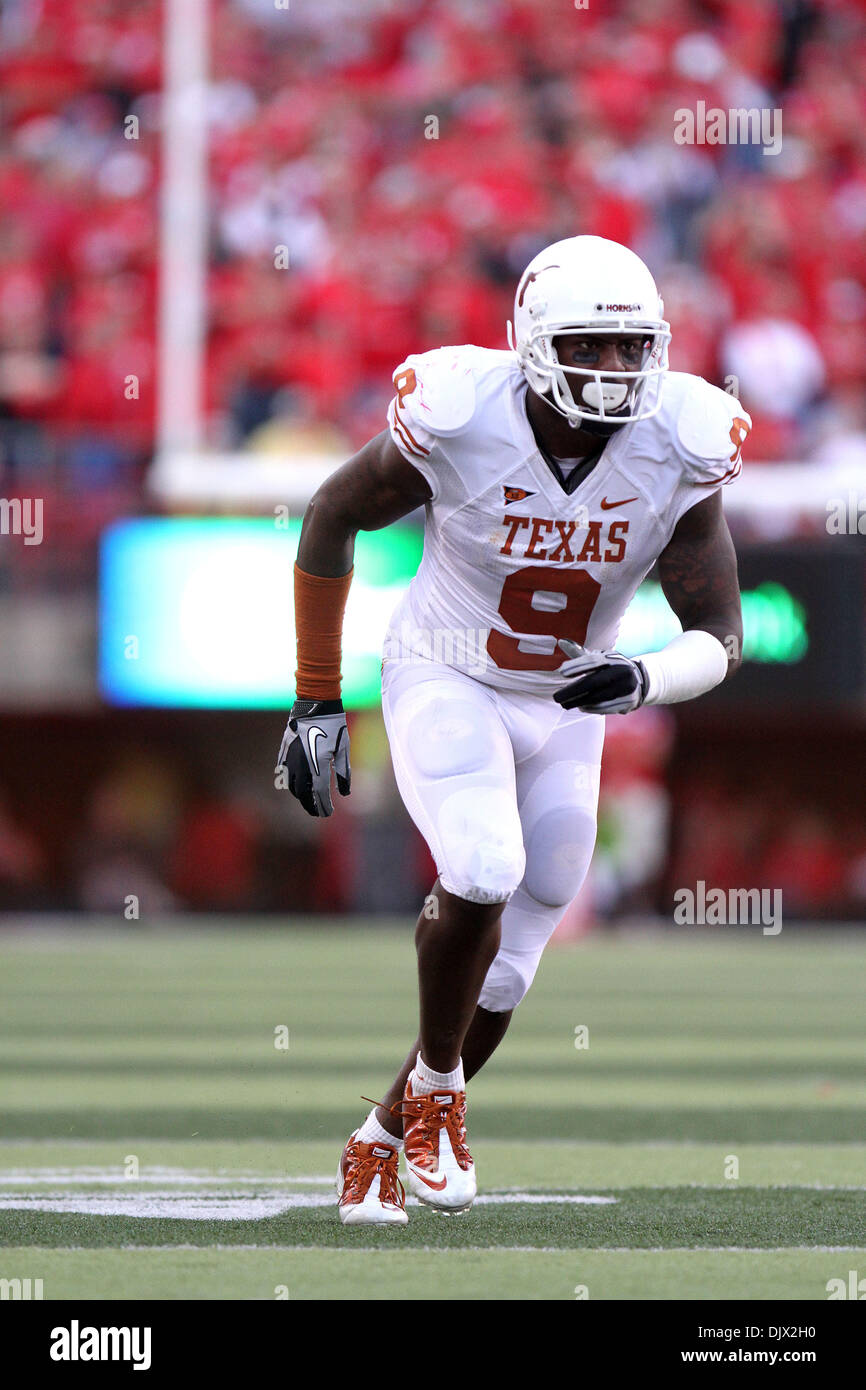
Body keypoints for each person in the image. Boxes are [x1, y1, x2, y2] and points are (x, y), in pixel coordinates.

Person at [276, 235, 750, 1225]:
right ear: (530, 341)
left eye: (631, 351)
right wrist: (316, 696)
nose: (614, 372)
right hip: (448, 669)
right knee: (484, 866)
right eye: (589, 345)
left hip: (570, 701)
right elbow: (330, 513)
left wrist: (645, 676)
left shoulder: (682, 438)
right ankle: (439, 1097)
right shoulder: (459, 413)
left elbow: (719, 635)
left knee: (528, 925)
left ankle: (376, 1143)